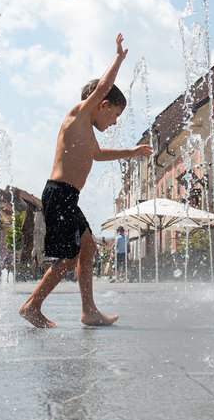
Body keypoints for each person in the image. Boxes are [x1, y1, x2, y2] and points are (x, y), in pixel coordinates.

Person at [19, 33, 152, 328]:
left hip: (68, 198)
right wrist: (118, 58)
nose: (115, 121)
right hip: (58, 194)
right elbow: (104, 86)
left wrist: (132, 151)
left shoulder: (88, 135)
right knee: (66, 259)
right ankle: (31, 306)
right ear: (102, 104)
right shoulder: (77, 116)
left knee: (88, 247)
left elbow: (99, 155)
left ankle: (88, 311)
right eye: (115, 115)